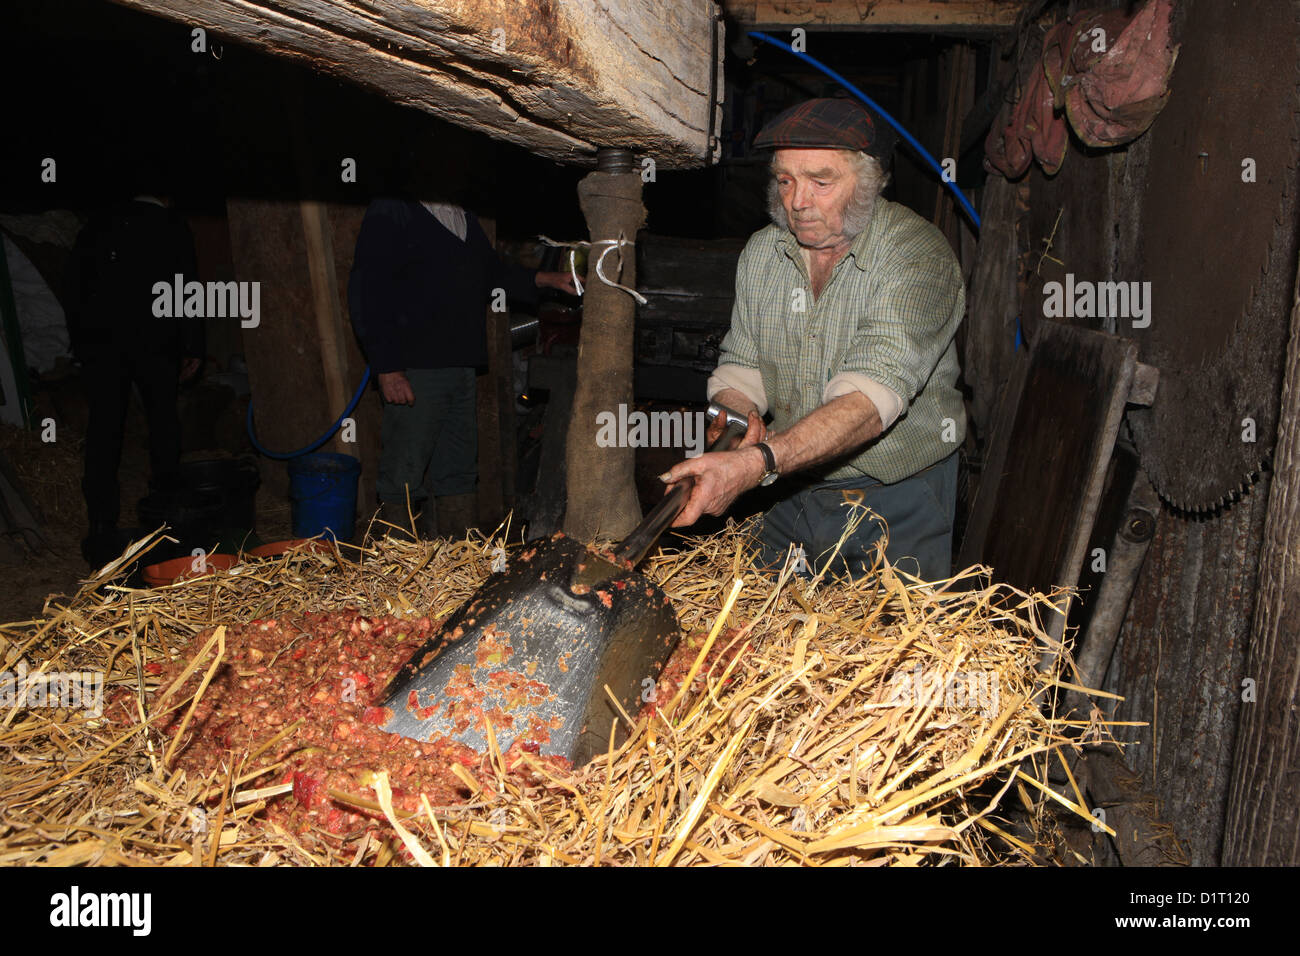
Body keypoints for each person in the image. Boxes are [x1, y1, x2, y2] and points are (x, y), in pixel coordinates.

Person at [663, 98, 967, 581]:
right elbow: (744, 365)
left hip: (897, 494)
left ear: (868, 183)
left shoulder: (916, 256)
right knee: (771, 630)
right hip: (792, 486)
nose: (797, 201)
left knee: (892, 646)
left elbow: (868, 402)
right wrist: (734, 426)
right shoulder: (765, 252)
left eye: (821, 182)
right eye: (785, 180)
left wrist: (755, 464)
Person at [348, 197, 575, 538]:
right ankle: (391, 560)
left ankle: (457, 558)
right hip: (415, 367)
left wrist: (548, 279)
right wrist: (388, 367)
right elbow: (369, 290)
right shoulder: (392, 211)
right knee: (404, 473)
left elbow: (491, 273)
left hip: (460, 366)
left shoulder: (462, 216)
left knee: (458, 469)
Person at [67, 194, 203, 566]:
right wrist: (191, 343)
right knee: (162, 420)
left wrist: (81, 343)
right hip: (154, 343)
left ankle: (101, 522)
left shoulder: (97, 224)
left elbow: (75, 287)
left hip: (103, 345)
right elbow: (187, 286)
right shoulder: (170, 227)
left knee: (104, 428)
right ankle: (167, 515)